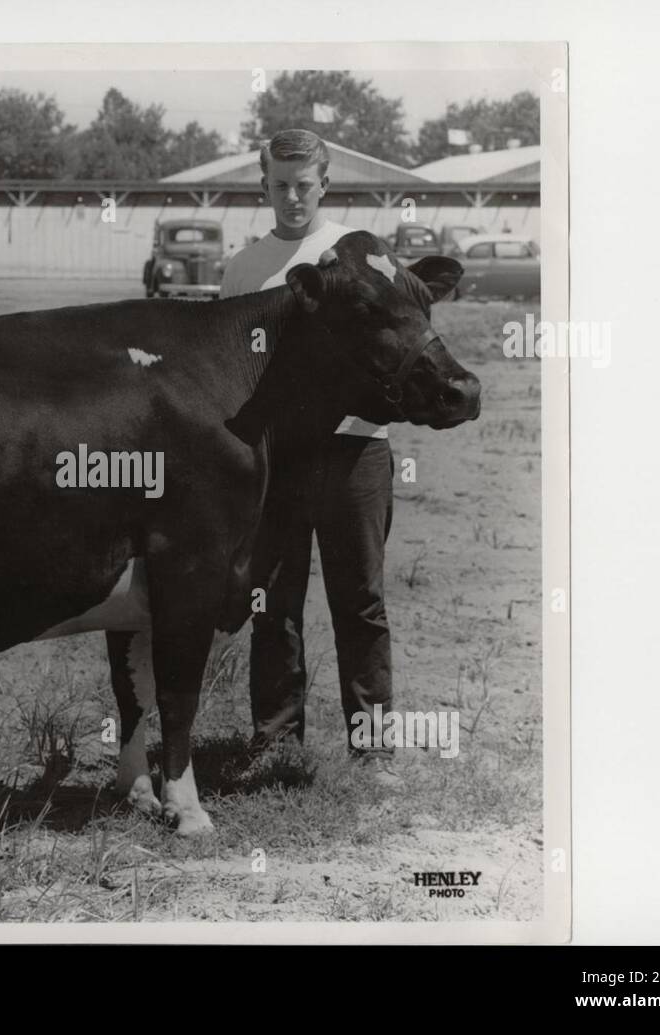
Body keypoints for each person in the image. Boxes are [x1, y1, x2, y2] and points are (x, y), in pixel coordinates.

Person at [220, 128, 400, 785]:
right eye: (279, 185)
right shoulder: (243, 268)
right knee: (273, 603)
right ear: (263, 186)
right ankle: (275, 745)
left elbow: (394, 345)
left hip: (357, 450)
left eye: (304, 184)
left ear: (325, 183)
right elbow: (231, 369)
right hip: (281, 458)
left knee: (362, 602)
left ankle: (374, 752)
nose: (292, 197)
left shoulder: (362, 253)